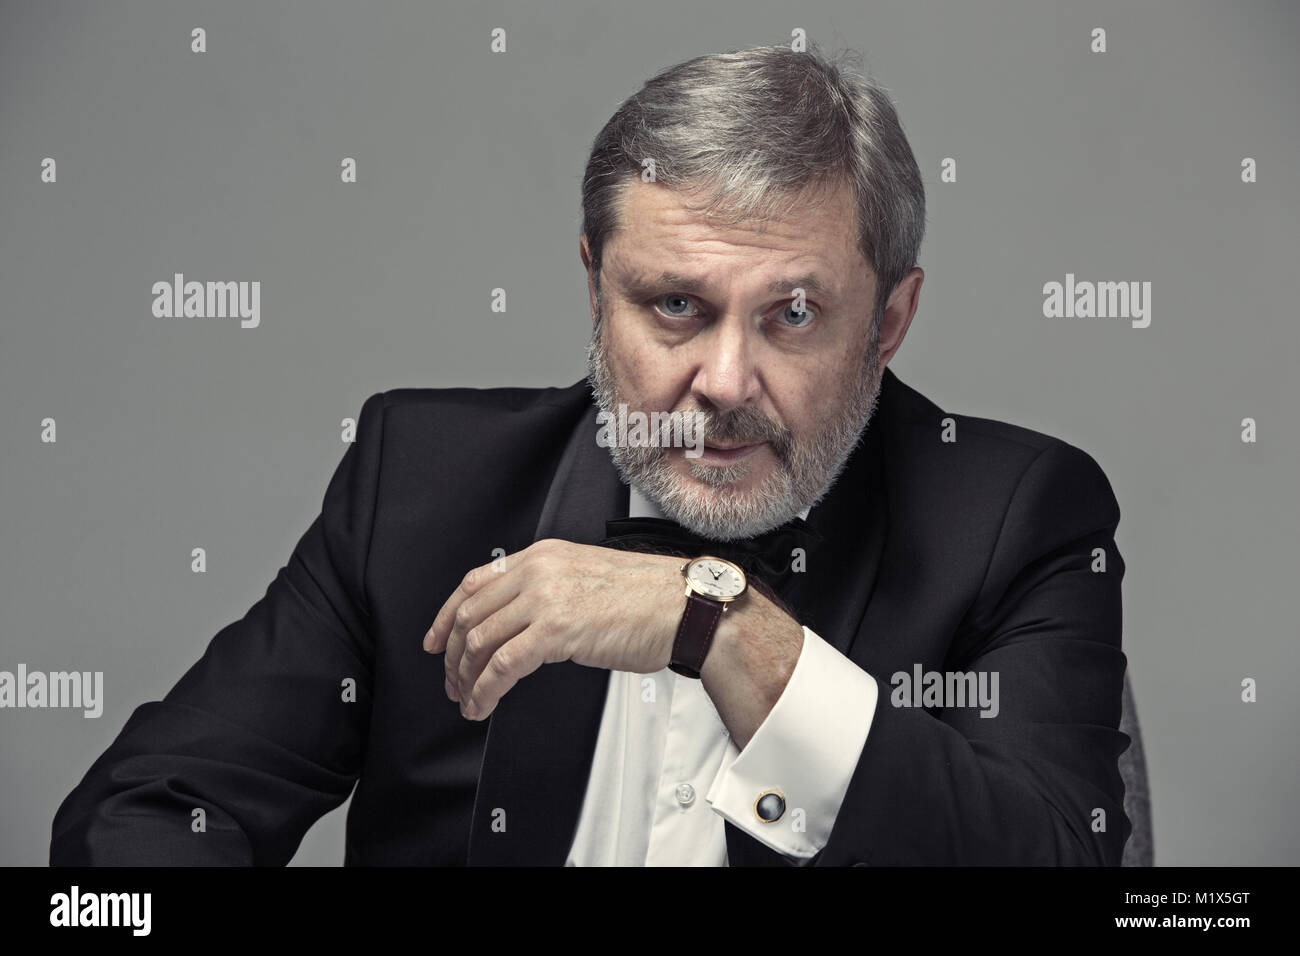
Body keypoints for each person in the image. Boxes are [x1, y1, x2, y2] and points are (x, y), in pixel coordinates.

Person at [50, 43, 1131, 867]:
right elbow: (139, 819)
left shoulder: (1018, 514)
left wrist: (715, 622)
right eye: (674, 305)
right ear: (593, 287)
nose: (721, 379)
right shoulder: (420, 482)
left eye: (793, 315)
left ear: (889, 321)